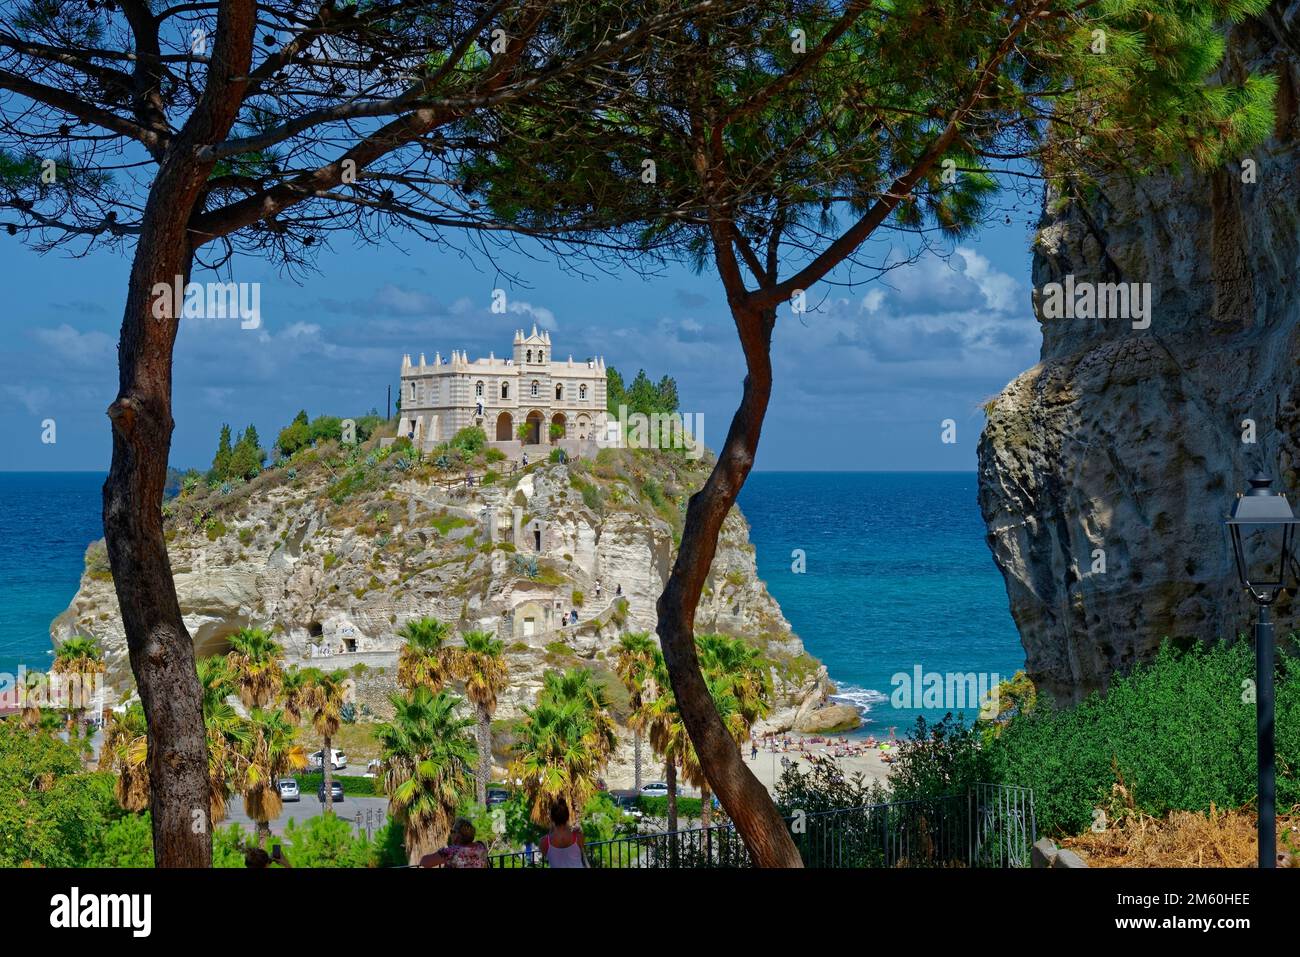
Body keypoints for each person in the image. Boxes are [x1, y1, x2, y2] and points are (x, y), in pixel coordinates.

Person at [420, 818, 488, 868]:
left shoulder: (452, 851)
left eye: (452, 831)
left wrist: (443, 851)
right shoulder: (481, 846)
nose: (450, 834)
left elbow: (424, 862)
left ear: (458, 835)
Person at [539, 799, 586, 868]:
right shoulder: (578, 836)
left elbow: (547, 855)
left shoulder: (544, 842)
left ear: (552, 818)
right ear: (567, 817)